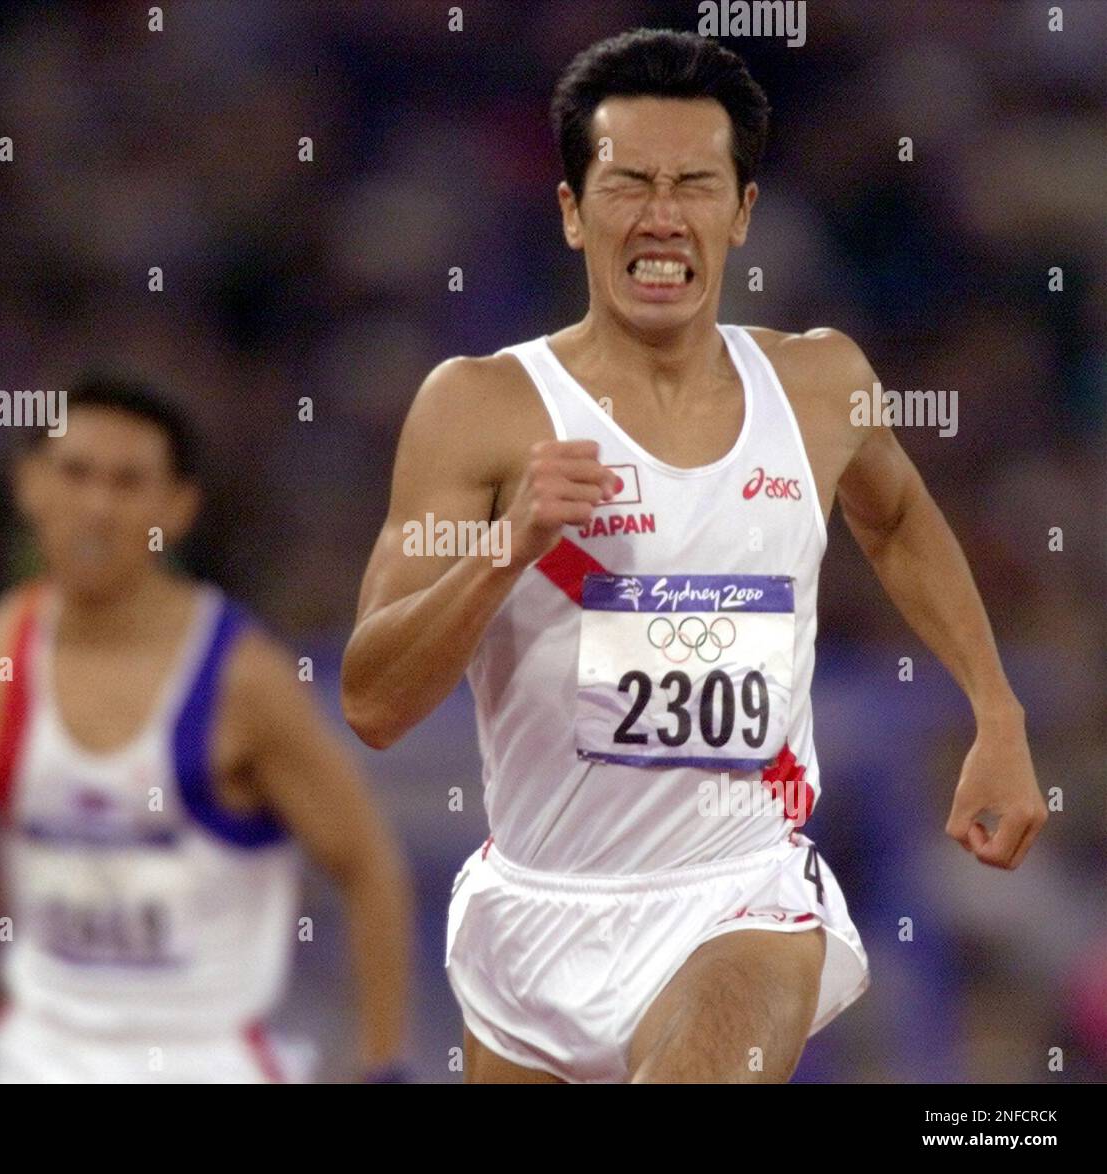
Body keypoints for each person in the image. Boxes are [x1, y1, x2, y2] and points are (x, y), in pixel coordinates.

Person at [340, 29, 1045, 1084]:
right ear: (574, 211)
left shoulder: (818, 384)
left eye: (694, 185)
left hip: (740, 892)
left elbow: (894, 518)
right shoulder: (479, 407)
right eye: (626, 183)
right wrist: (507, 546)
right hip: (538, 909)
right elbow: (373, 704)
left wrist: (995, 711)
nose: (661, 215)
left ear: (741, 211)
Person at [0, 375, 413, 1083]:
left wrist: (384, 1063)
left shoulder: (244, 681)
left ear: (179, 506)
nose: (98, 508)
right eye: (75, 474)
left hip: (206, 1057)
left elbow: (368, 866)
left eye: (129, 483)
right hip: (37, 1056)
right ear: (29, 486)